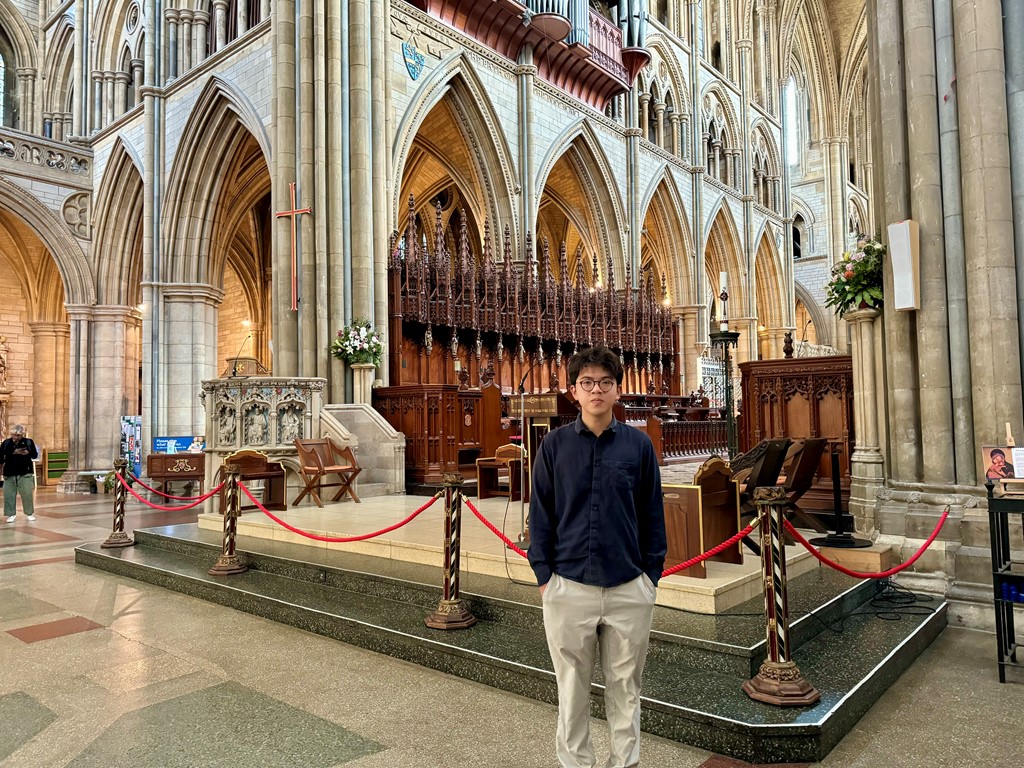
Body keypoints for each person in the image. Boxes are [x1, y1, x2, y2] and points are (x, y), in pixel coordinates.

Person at [528, 346, 667, 768]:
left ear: (617, 390)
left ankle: (625, 763)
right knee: (571, 690)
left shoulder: (638, 447)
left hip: (628, 586)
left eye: (605, 383)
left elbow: (652, 515)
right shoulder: (553, 446)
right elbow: (542, 513)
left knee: (626, 688)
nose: (596, 390)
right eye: (587, 382)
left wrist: (650, 578)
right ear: (574, 391)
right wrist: (545, 577)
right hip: (568, 586)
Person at [2, 424, 39, 523]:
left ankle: (29, 513)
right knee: (9, 494)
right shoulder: (6, 443)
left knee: (27, 493)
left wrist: (28, 452)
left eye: (18, 435)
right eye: (13, 435)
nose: (15, 437)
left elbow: (35, 455)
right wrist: (13, 452)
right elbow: (1, 458)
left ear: (22, 434)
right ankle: (11, 514)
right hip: (9, 472)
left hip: (25, 472)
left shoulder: (28, 442)